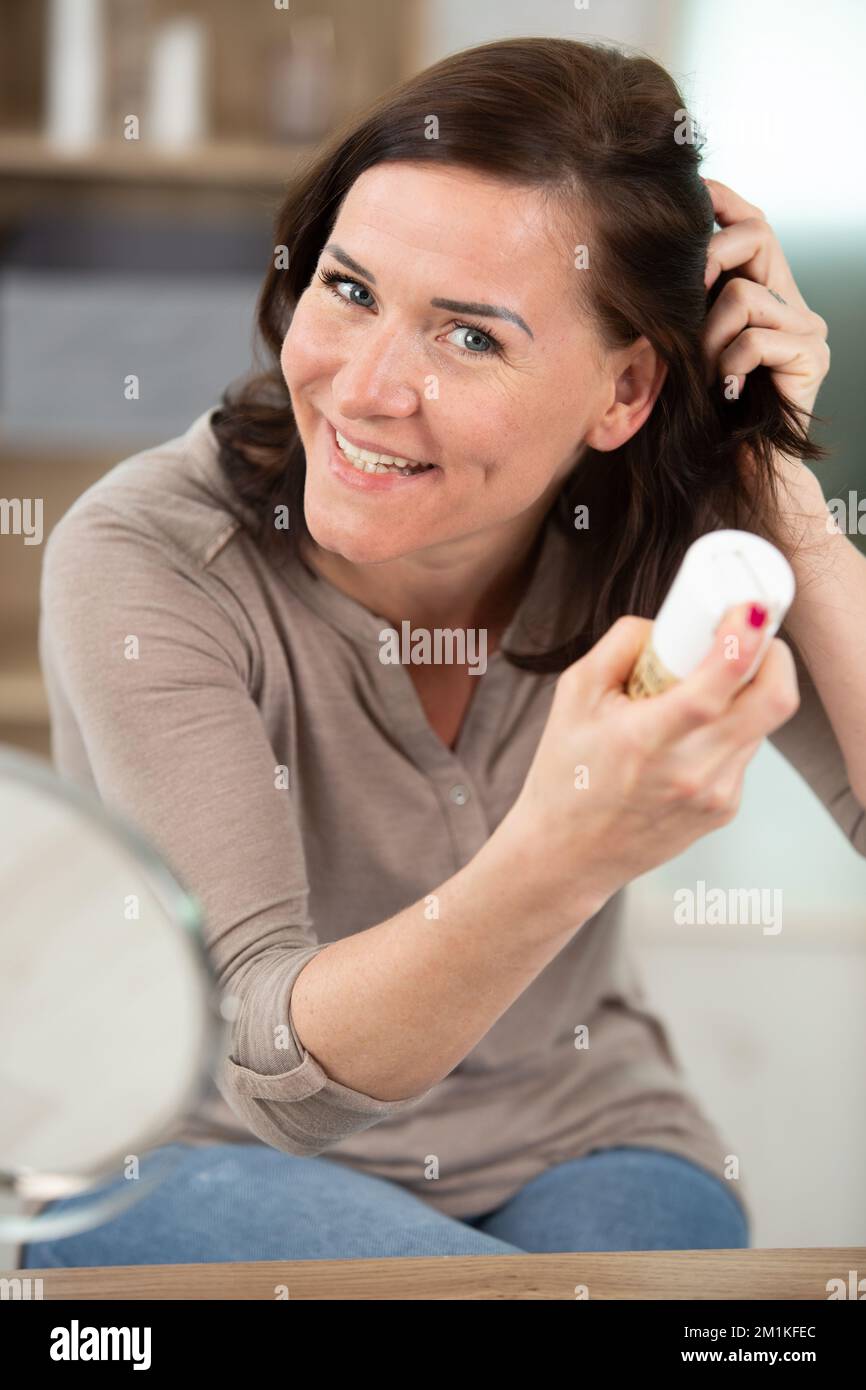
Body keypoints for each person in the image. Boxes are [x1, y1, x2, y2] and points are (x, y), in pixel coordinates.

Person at [25, 38, 862, 1268]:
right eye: (350, 290)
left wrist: (782, 500)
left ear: (623, 392)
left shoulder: (670, 533)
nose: (364, 390)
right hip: (190, 1146)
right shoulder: (150, 556)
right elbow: (277, 1074)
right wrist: (565, 848)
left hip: (576, 1132)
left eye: (468, 337)